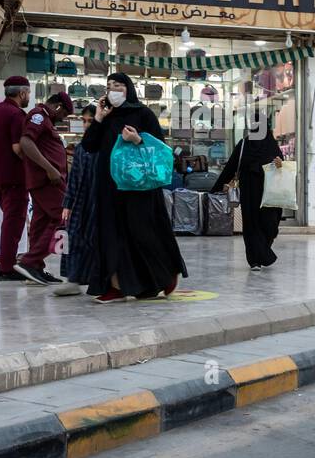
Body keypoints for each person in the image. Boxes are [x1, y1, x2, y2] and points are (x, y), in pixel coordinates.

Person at [81, 72, 187, 302]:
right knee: (111, 235)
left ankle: (165, 275)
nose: (112, 90)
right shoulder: (106, 115)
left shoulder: (143, 114)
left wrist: (138, 140)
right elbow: (89, 146)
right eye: (109, 86)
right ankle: (116, 285)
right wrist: (98, 118)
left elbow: (161, 148)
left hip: (140, 188)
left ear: (128, 88)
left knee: (142, 232)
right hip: (109, 187)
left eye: (118, 85)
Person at [14, 91, 73, 285]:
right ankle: (30, 262)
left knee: (41, 221)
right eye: (63, 115)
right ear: (58, 107)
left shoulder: (45, 118)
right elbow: (26, 142)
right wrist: (49, 170)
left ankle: (34, 269)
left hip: (46, 181)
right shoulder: (39, 115)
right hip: (47, 181)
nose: (61, 119)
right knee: (63, 218)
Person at [0, 75, 32, 281]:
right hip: (14, 176)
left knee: (9, 219)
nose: (28, 96)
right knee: (14, 220)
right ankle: (6, 267)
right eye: (27, 93)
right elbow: (18, 148)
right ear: (22, 93)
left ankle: (5, 262)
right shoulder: (16, 114)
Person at [215, 119, 285, 270]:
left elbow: (282, 166)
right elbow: (232, 165)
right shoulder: (244, 145)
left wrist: (280, 163)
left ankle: (262, 253)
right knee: (251, 224)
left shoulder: (271, 145)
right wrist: (220, 186)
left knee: (270, 224)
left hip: (270, 192)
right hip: (249, 192)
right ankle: (255, 260)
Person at [56, 104, 99, 295]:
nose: (87, 124)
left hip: (98, 201)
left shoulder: (105, 146)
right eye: (84, 121)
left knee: (94, 239)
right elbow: (73, 177)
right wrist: (67, 203)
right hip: (81, 201)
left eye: (91, 120)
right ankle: (72, 278)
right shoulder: (81, 148)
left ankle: (93, 278)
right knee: (74, 236)